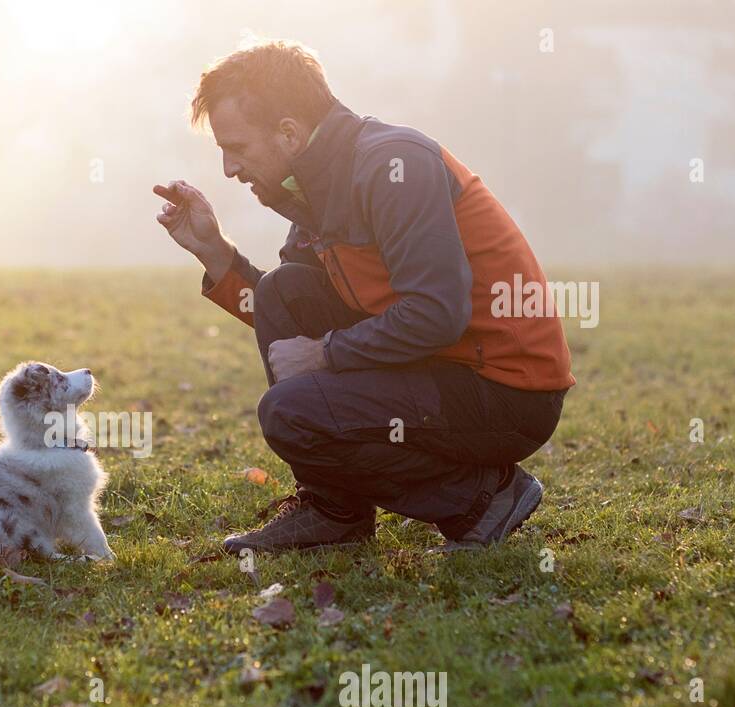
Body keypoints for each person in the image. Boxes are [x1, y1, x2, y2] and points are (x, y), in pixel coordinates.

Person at [153, 39, 574, 553]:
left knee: (290, 411)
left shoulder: (394, 166)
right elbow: (280, 311)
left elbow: (437, 313)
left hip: (504, 391)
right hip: (438, 367)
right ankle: (336, 512)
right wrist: (216, 254)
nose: (229, 169)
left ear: (288, 132)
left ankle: (484, 497)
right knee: (285, 292)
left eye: (236, 147)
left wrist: (326, 352)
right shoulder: (313, 188)